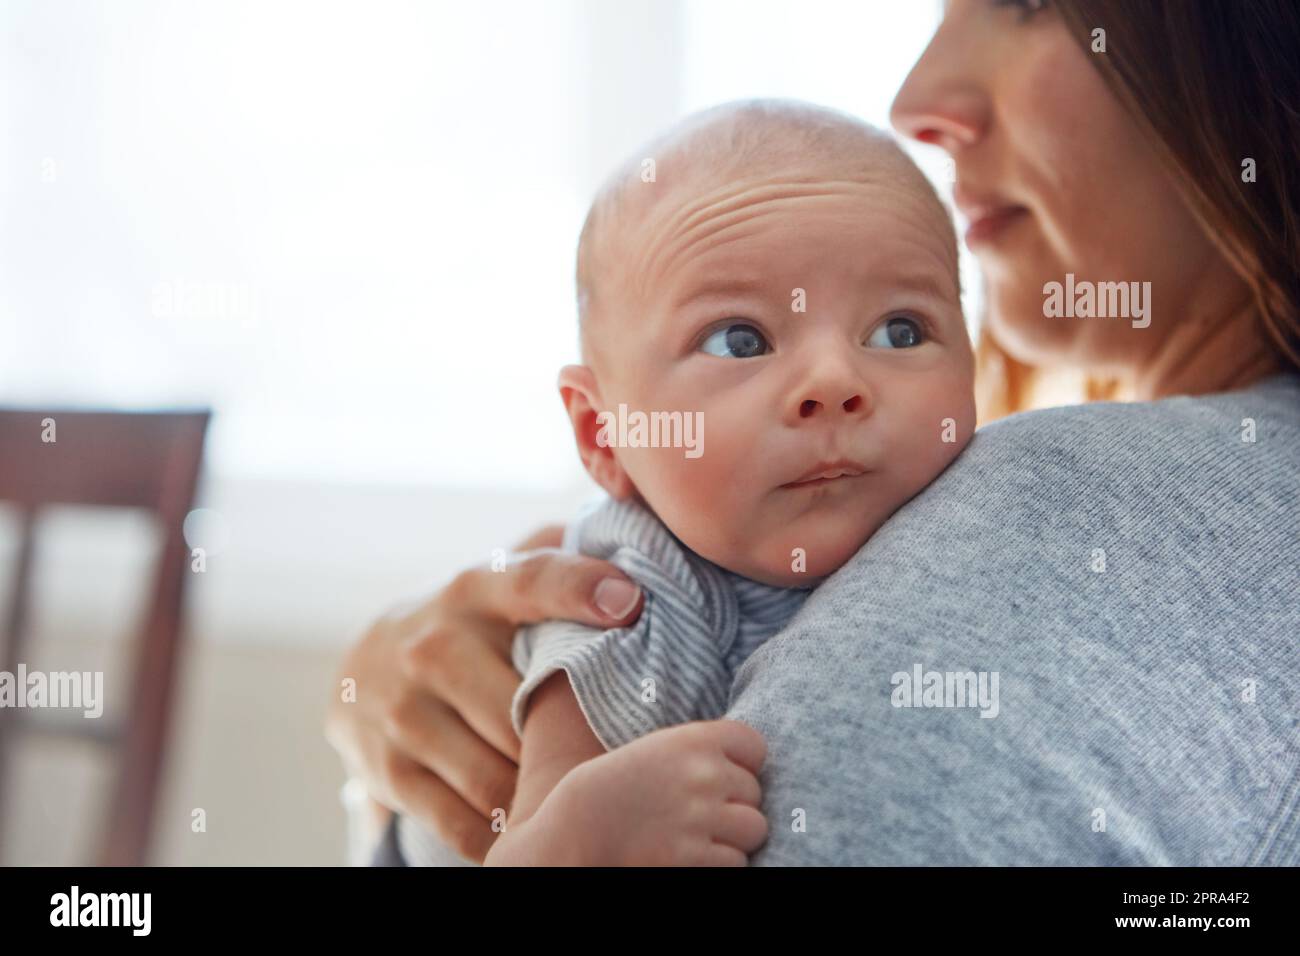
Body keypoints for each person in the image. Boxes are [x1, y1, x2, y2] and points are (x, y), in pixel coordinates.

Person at [326, 0, 1300, 865]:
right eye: (741, 338)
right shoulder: (631, 594)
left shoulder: (1054, 516)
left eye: (1026, 2)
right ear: (600, 433)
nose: (917, 94)